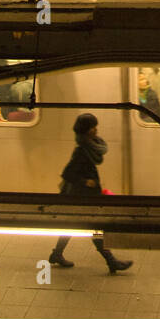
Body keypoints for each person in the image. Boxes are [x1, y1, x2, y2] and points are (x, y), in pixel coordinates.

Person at [47, 113, 133, 274]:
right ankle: (111, 261)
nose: (96, 129)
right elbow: (68, 173)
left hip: (84, 196)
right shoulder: (81, 151)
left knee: (72, 226)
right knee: (95, 228)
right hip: (82, 197)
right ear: (86, 130)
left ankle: (57, 254)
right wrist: (85, 182)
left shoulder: (89, 146)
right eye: (93, 127)